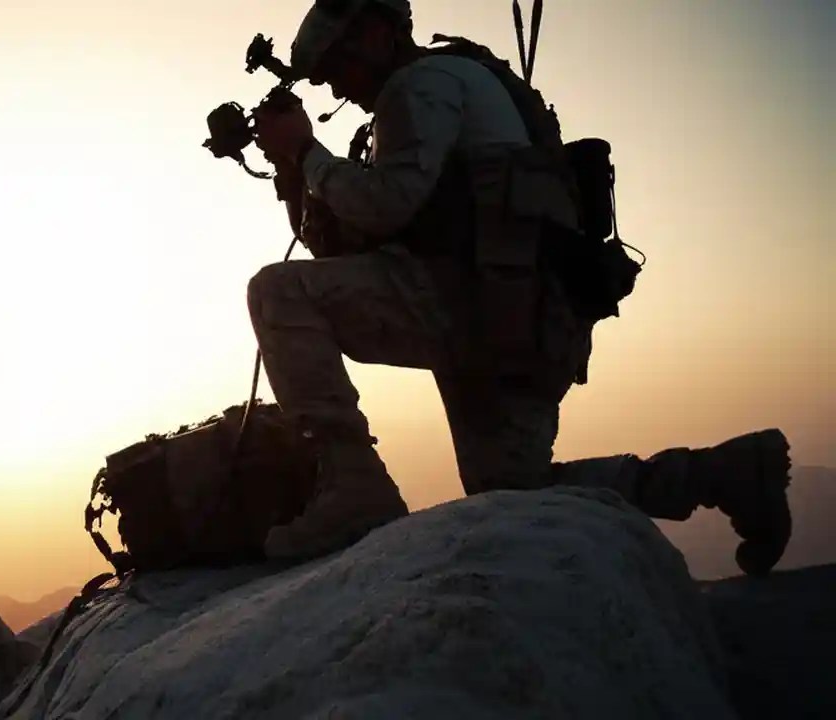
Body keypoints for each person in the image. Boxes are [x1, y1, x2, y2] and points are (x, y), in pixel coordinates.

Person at [246, 0, 792, 575]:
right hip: (518, 318)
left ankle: (354, 485)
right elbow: (346, 249)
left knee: (280, 293)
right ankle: (725, 474)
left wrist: (307, 152)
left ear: (379, 34)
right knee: (511, 490)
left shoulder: (422, 86)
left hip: (478, 305)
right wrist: (291, 170)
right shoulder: (439, 87)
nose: (340, 87)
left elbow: (384, 207)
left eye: (339, 66)